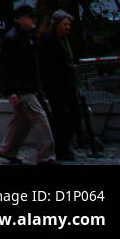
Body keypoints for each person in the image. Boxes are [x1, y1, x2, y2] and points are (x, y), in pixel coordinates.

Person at [0, 4, 57, 165]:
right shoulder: (14, 39)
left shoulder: (24, 36)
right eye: (31, 17)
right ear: (22, 19)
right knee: (40, 119)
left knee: (22, 122)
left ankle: (7, 150)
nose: (34, 20)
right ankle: (46, 157)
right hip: (23, 88)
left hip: (26, 87)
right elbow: (7, 68)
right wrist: (11, 91)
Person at [39, 10, 82, 161]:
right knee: (61, 115)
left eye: (69, 24)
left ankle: (63, 146)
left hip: (65, 83)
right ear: (56, 24)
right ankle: (60, 147)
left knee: (73, 113)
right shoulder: (49, 40)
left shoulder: (64, 40)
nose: (68, 27)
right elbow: (47, 65)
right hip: (55, 85)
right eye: (65, 24)